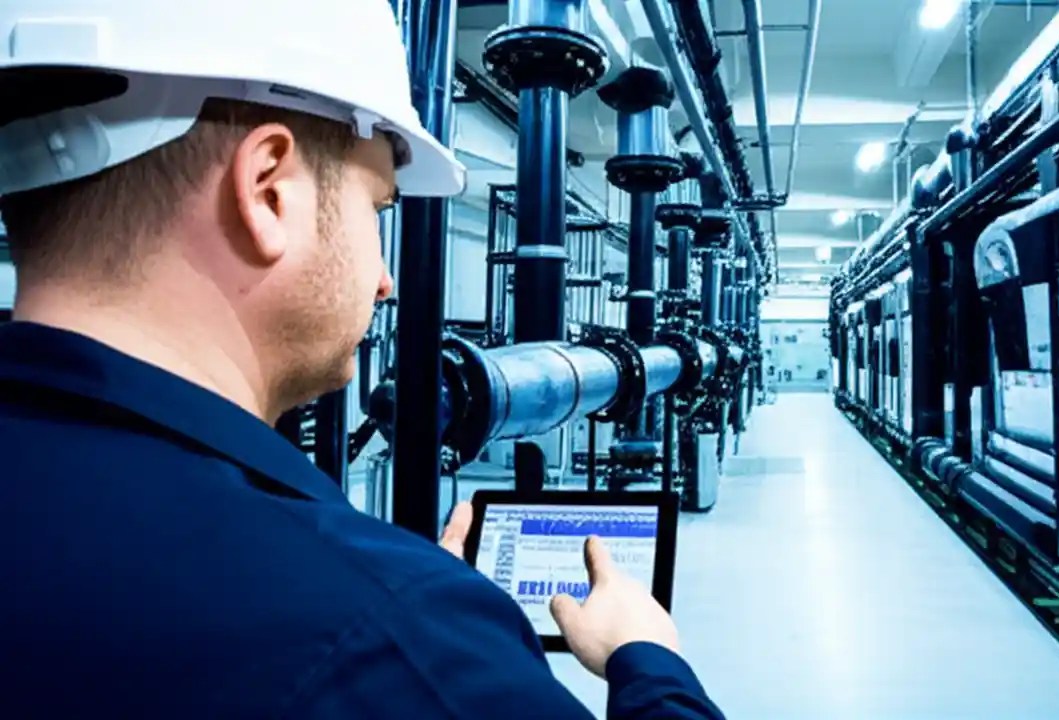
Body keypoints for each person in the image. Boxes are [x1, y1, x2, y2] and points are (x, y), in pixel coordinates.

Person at [0, 1, 725, 718]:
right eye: (377, 208)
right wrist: (646, 657)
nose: (385, 280)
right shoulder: (385, 640)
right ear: (268, 192)